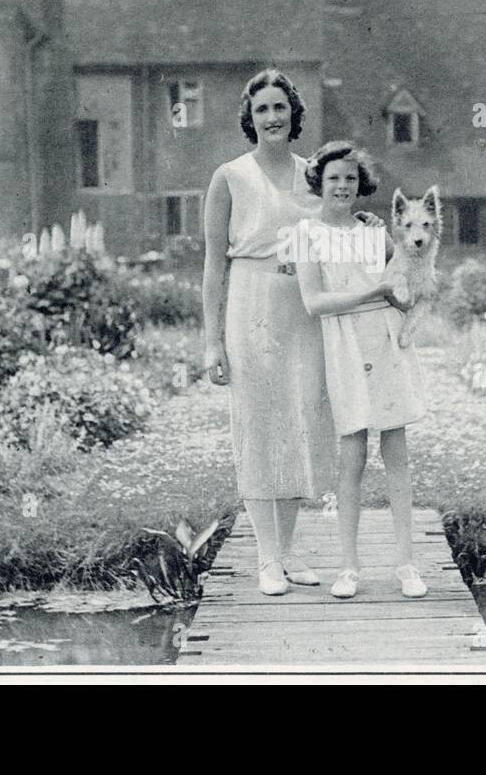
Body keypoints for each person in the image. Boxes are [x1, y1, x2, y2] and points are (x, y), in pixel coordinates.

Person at [202, 69, 364, 596]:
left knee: (301, 423)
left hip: (304, 312)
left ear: (294, 113)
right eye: (261, 110)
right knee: (258, 426)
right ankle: (266, 558)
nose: (272, 117)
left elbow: (337, 238)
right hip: (251, 307)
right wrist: (211, 341)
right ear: (250, 120)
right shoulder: (230, 176)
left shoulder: (314, 175)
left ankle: (288, 551)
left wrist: (373, 238)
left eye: (279, 107)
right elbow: (212, 265)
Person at [293, 141, 429, 600]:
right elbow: (314, 302)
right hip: (345, 345)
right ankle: (348, 566)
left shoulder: (373, 231)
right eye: (334, 178)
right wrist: (373, 293)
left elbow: (404, 284)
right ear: (320, 182)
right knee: (350, 457)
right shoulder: (306, 233)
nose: (343, 186)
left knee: (397, 455)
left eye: (351, 178)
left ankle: (407, 563)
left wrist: (403, 291)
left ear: (361, 184)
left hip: (386, 343)